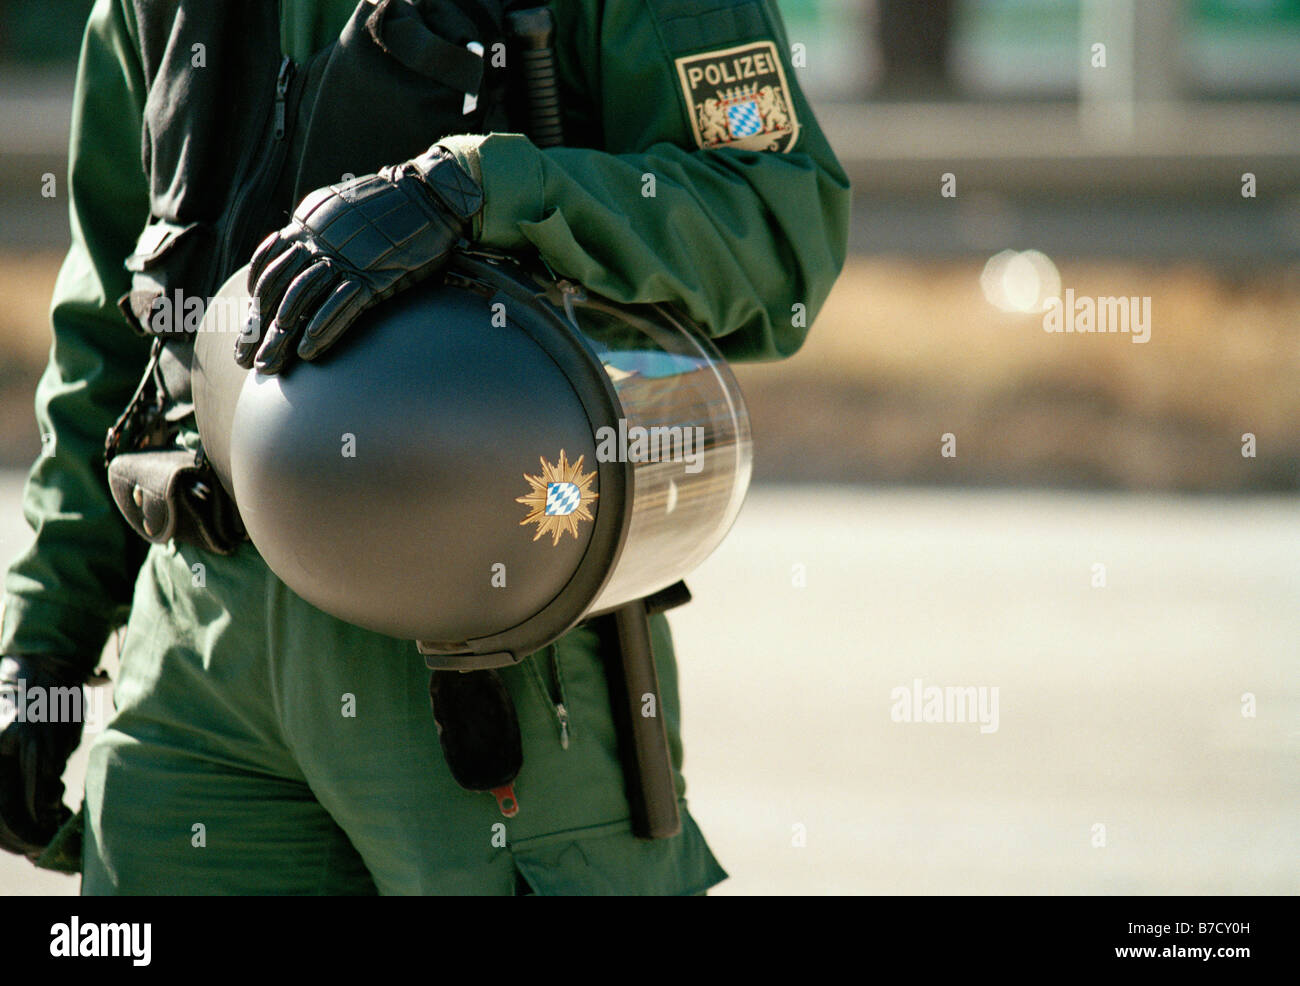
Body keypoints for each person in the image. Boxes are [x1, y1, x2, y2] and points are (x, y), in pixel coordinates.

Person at [0, 0, 849, 894]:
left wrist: (484, 193)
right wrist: (40, 650)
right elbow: (109, 335)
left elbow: (779, 225)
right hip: (196, 662)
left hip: (487, 639)